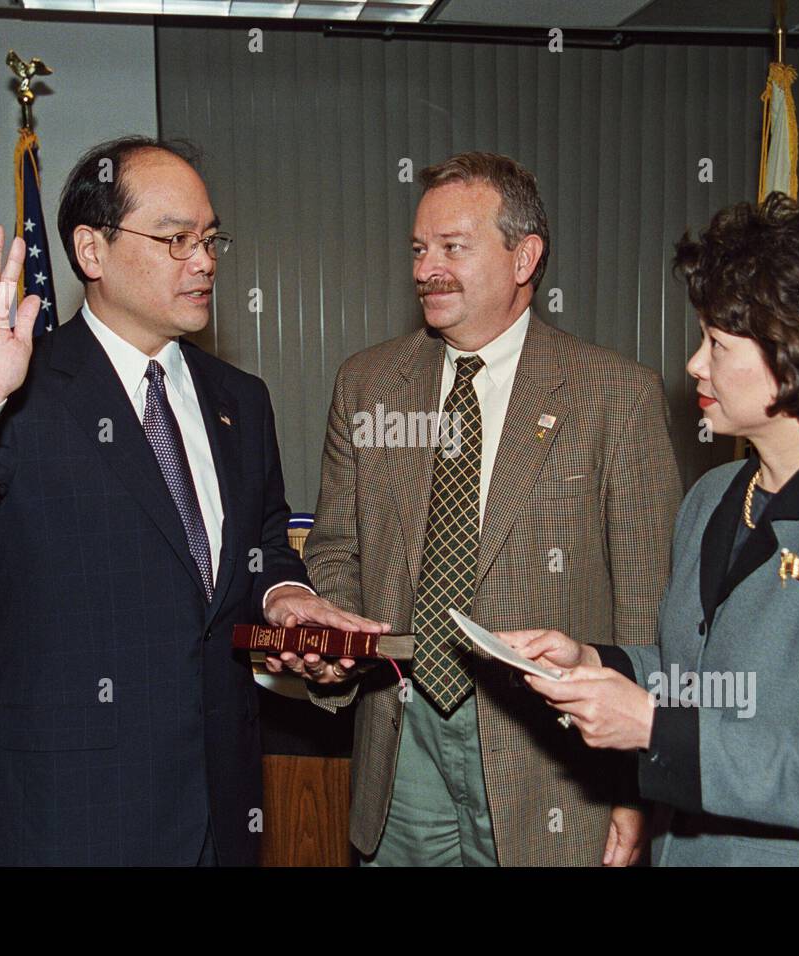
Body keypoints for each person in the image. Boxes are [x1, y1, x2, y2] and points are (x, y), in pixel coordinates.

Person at [0, 136, 382, 866]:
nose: (204, 261)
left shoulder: (241, 402)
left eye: (209, 238)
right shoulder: (22, 393)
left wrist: (290, 597)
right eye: (174, 240)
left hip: (222, 810)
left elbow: (255, 548)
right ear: (91, 251)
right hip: (69, 815)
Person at [504, 193, 799, 866]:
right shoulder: (713, 497)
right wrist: (597, 663)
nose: (694, 365)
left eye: (717, 344)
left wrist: (654, 730)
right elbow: (699, 675)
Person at [268, 151, 682, 866]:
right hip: (400, 747)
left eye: (453, 247)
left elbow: (648, 604)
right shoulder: (369, 384)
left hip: (552, 767)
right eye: (420, 249)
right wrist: (332, 645)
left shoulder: (615, 394)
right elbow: (337, 549)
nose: (428, 268)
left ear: (524, 258)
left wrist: (636, 784)